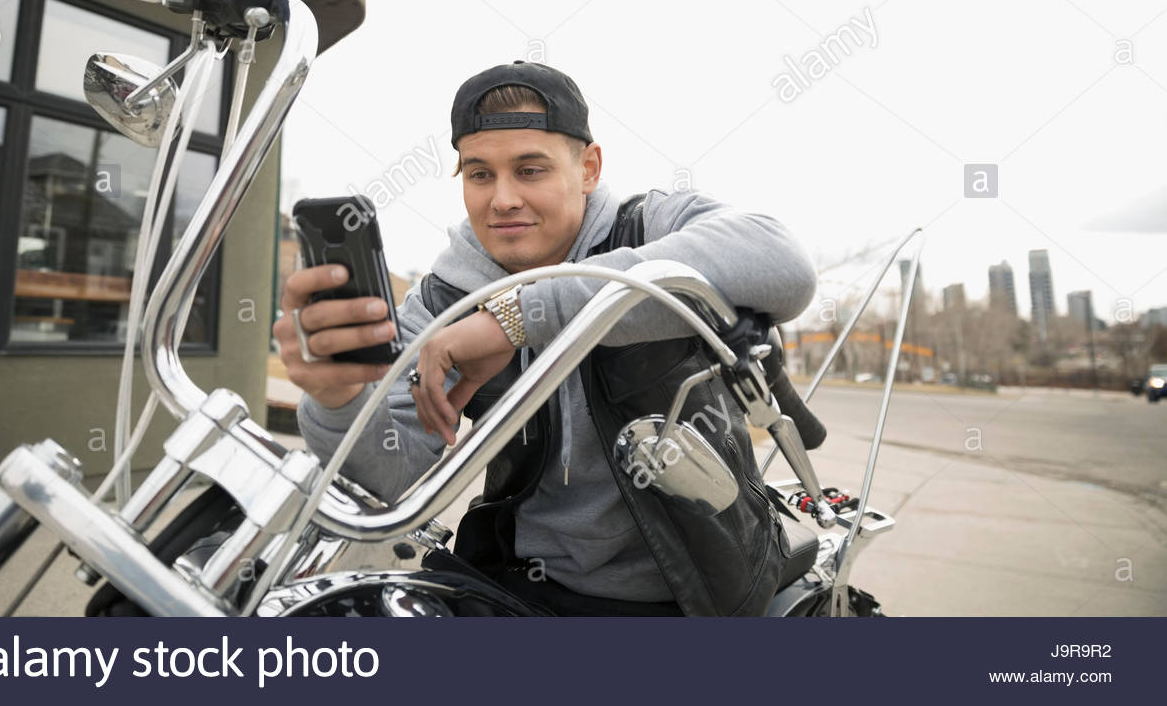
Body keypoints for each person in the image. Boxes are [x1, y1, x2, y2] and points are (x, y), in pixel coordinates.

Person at [274, 61, 817, 616]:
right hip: (516, 580)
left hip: (688, 590)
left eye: (530, 170)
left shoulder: (651, 226)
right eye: (479, 174)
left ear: (588, 167)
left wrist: (517, 315)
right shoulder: (445, 299)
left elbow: (783, 265)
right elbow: (389, 474)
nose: (502, 199)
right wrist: (338, 399)